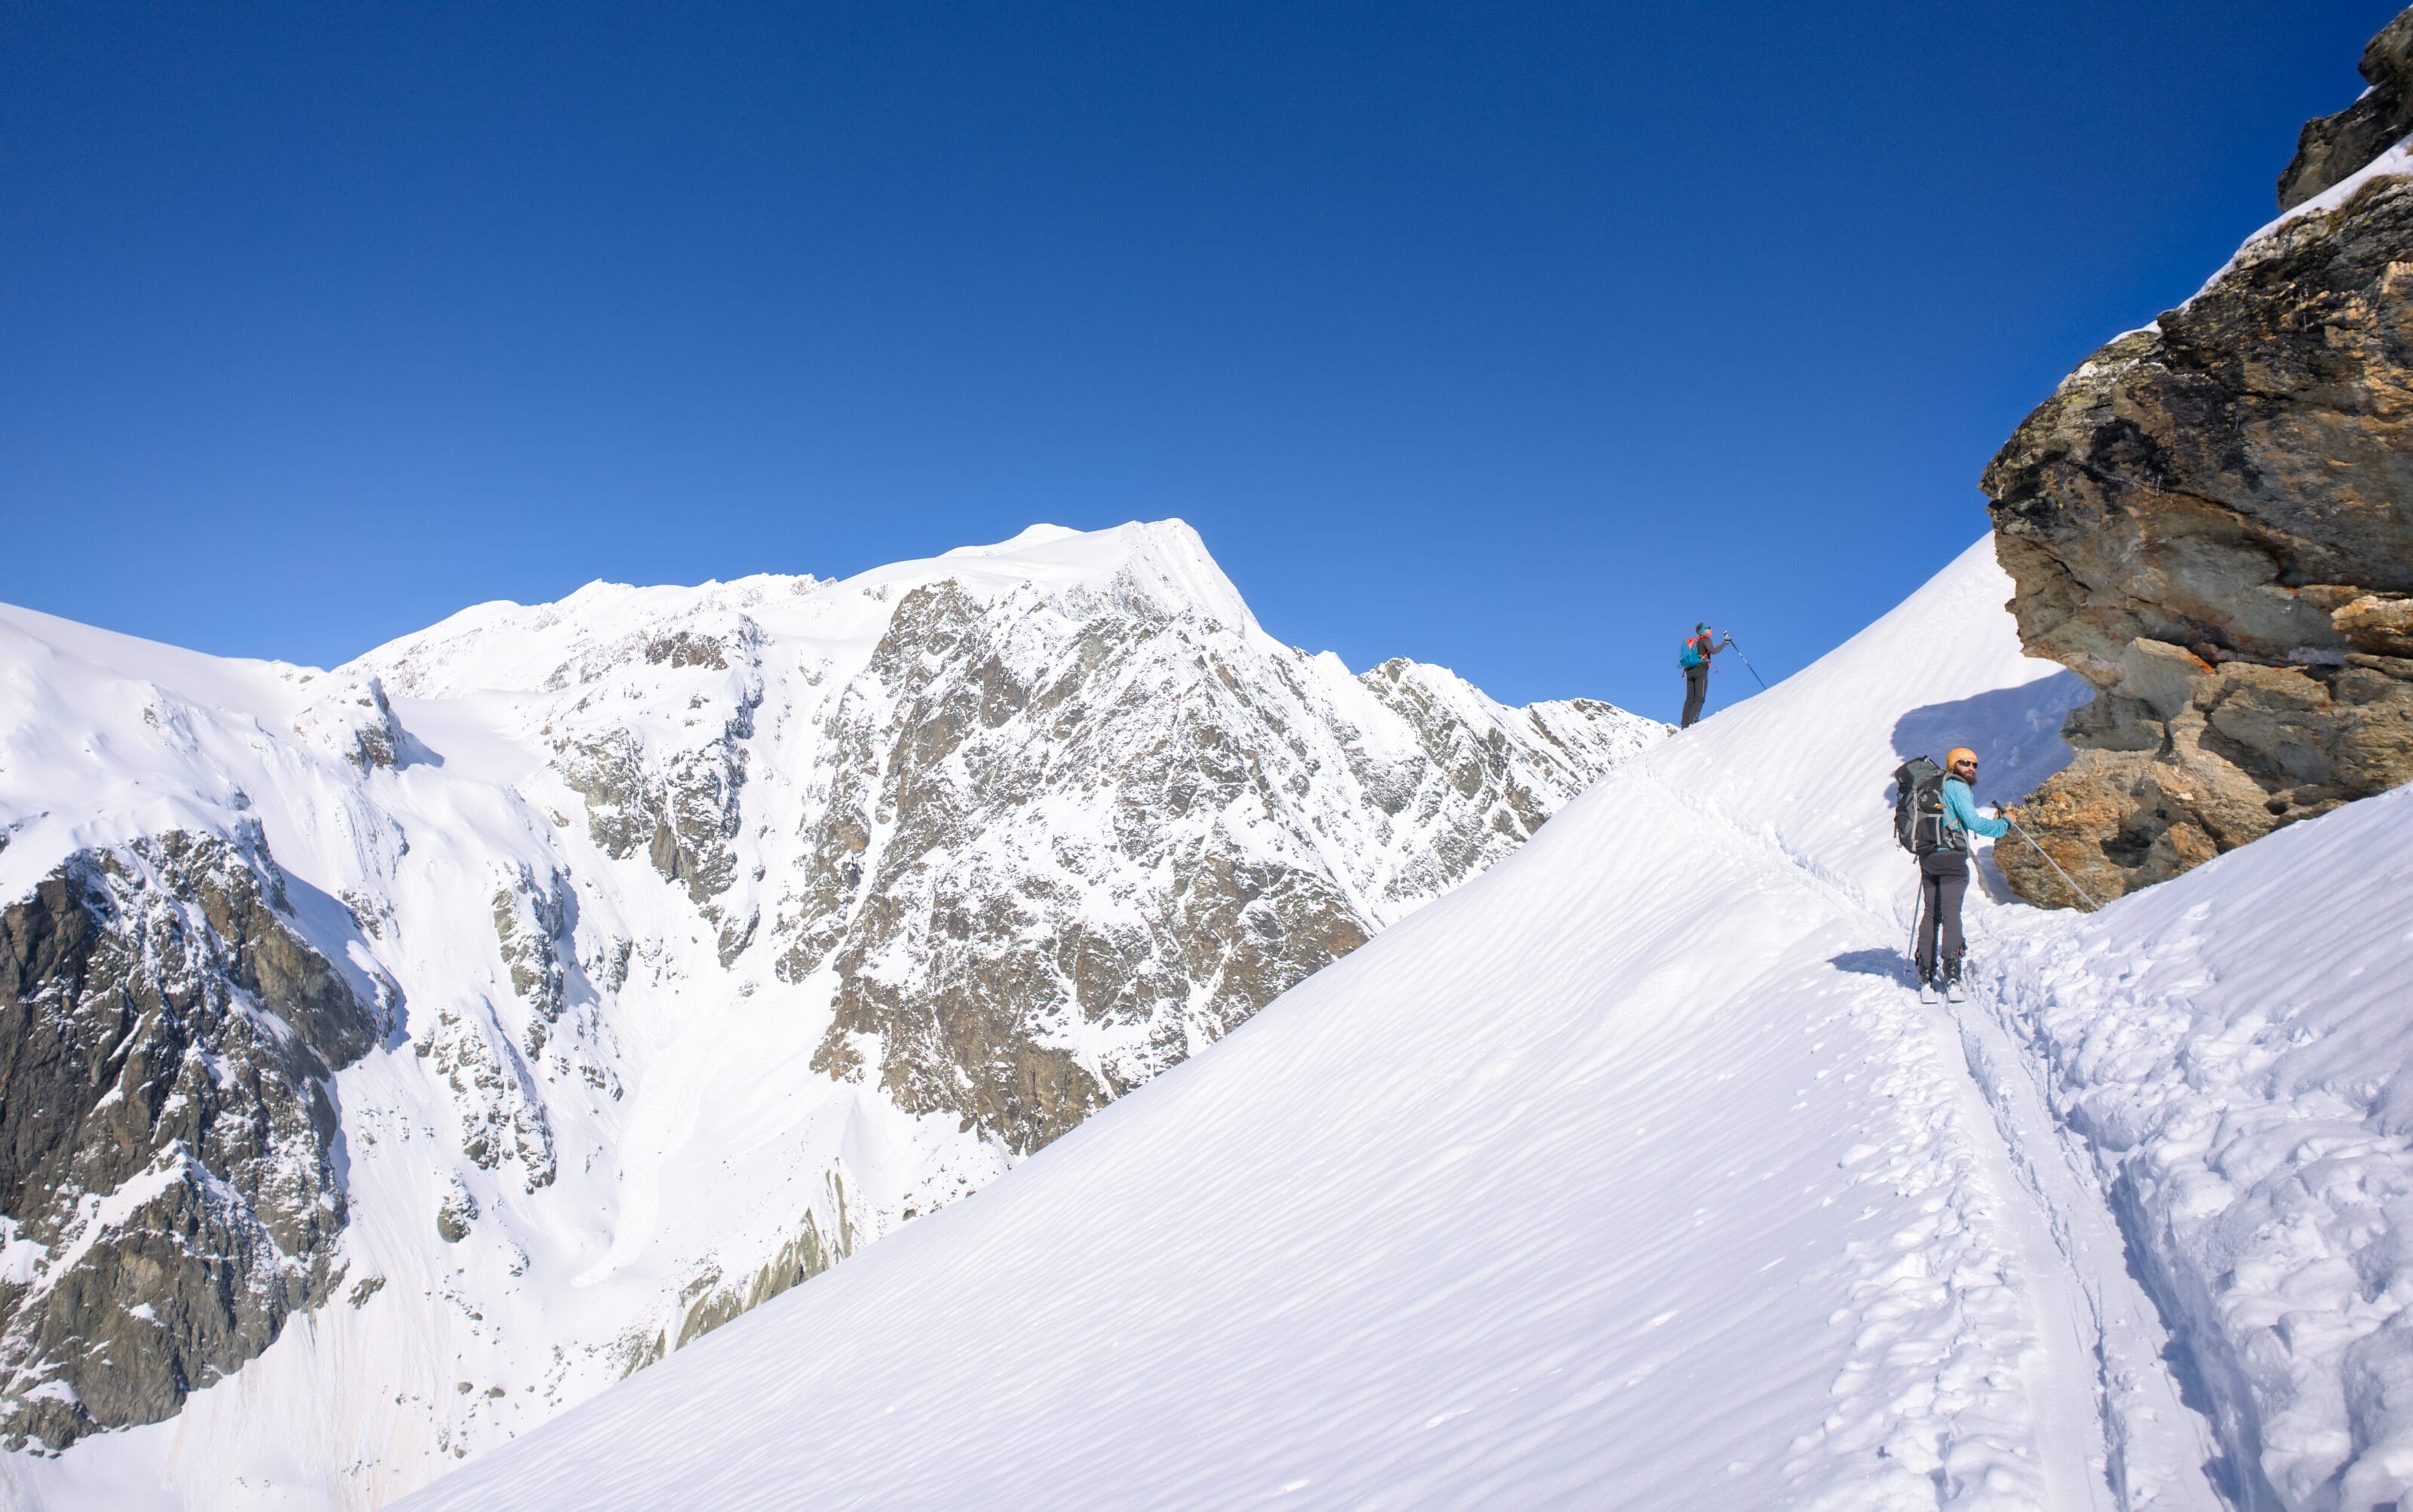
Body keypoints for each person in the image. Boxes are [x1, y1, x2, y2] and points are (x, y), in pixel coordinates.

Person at [1916, 747, 2018, 1004]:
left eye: (1974, 764)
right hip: (1951, 857)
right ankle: (1952, 975)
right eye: (1965, 763)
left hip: (1929, 857)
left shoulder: (1931, 786)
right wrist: (2004, 824)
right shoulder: (1957, 786)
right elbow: (1973, 822)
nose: (1971, 768)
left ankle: (1925, 976)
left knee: (1931, 913)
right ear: (1953, 764)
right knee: (1950, 913)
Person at [1678, 624, 1734, 728]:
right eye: (1709, 628)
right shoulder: (1705, 640)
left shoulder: (1694, 642)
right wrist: (1725, 642)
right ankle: (1693, 721)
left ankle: (1684, 725)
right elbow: (1714, 651)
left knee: (1689, 699)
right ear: (1704, 631)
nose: (1711, 630)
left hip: (1689, 671)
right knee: (1700, 698)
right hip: (1701, 670)